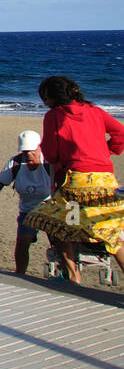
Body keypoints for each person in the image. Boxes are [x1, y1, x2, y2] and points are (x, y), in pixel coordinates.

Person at [23, 76, 124, 285]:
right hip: (105, 180)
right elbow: (120, 133)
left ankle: (72, 275)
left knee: (57, 224)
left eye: (45, 97)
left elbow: (51, 153)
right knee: (111, 232)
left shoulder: (54, 116)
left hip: (76, 183)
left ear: (51, 97)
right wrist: (108, 150)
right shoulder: (95, 111)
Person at [0, 130, 52, 275]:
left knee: (60, 244)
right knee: (22, 241)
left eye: (31, 151)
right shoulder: (16, 163)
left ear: (39, 147)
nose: (28, 155)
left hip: (51, 208)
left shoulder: (49, 163)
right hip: (28, 210)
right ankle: (20, 274)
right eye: (25, 151)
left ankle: (69, 278)